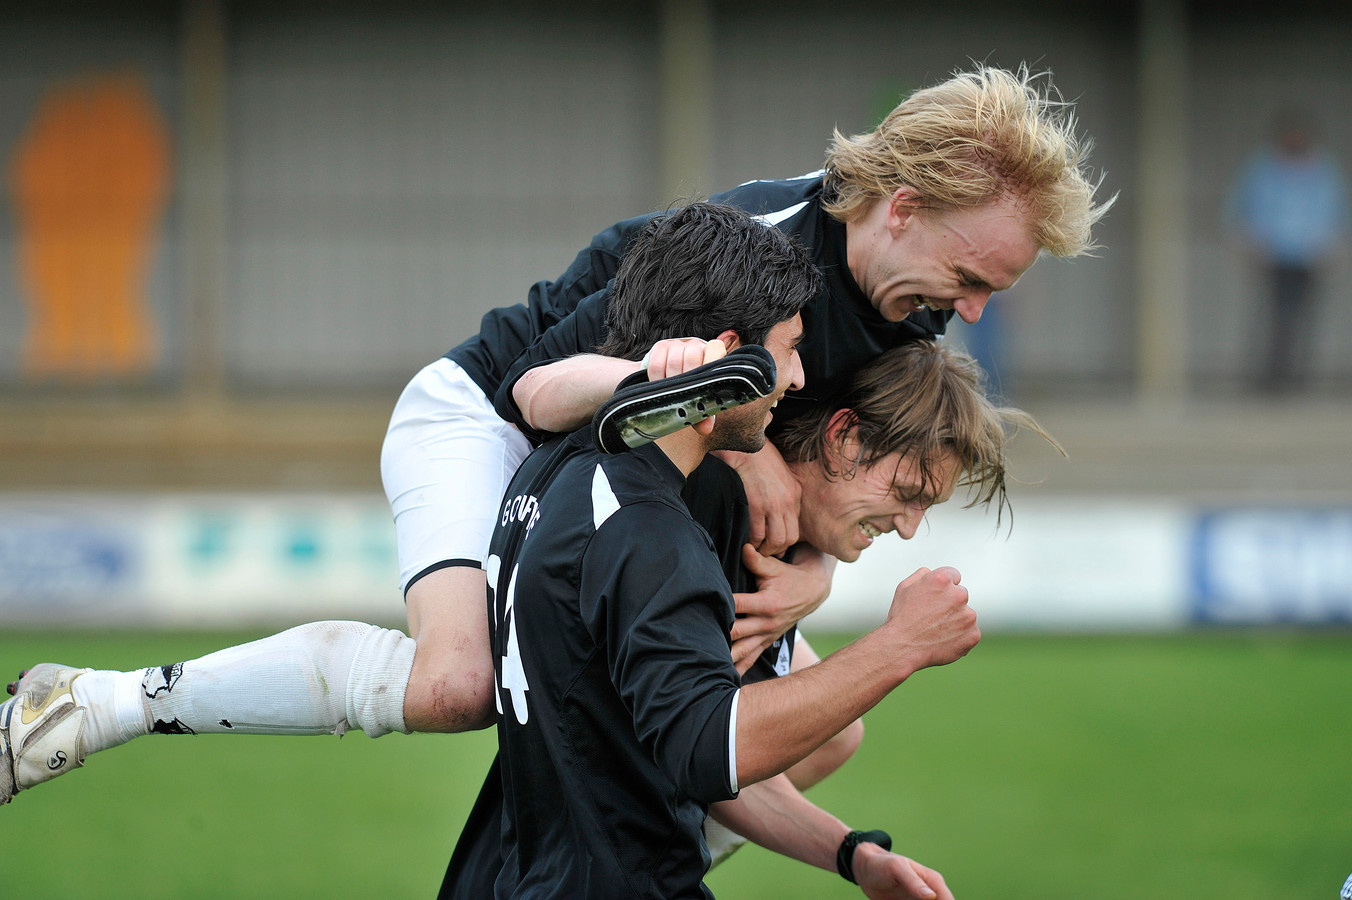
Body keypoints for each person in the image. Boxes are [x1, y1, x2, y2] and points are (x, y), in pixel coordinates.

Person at [2, 64, 1104, 802]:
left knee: (819, 736)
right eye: (971, 278)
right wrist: (745, 422)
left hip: (611, 474)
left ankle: (618, 865)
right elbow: (539, 387)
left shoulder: (900, 310)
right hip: (483, 418)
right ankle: (100, 704)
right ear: (901, 204)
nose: (970, 312)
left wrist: (809, 578)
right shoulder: (752, 244)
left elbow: (830, 476)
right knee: (452, 688)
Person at [443, 200, 991, 900]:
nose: (797, 382)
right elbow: (710, 748)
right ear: (732, 357)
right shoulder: (652, 528)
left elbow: (664, 749)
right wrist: (900, 645)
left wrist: (850, 854)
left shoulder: (560, 472)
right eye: (790, 352)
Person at [1225, 107, 1348, 392]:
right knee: (1275, 317)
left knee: (1303, 317)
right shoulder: (1263, 167)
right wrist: (1249, 241)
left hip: (1311, 258)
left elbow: (1337, 212)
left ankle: (1297, 377)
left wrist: (1334, 246)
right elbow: (1239, 208)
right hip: (1273, 257)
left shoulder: (1323, 168)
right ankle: (1271, 377)